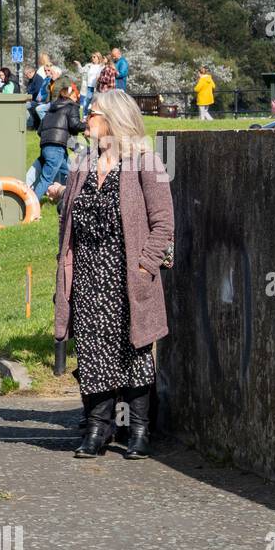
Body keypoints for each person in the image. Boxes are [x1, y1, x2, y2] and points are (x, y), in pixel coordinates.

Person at [48, 90, 173, 460]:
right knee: (92, 352)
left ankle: (138, 430)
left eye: (92, 114)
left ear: (114, 119)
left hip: (127, 276)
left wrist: (143, 265)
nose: (86, 119)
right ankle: (97, 429)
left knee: (134, 352)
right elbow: (68, 220)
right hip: (87, 274)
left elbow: (163, 223)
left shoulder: (145, 162)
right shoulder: (81, 163)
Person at [32, 78, 87, 203]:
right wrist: (87, 126)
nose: (77, 97)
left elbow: (40, 130)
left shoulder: (52, 107)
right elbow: (74, 125)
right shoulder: (72, 106)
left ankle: (74, 198)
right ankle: (31, 207)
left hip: (47, 146)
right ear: (71, 95)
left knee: (69, 173)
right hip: (57, 148)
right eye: (76, 95)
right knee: (46, 179)